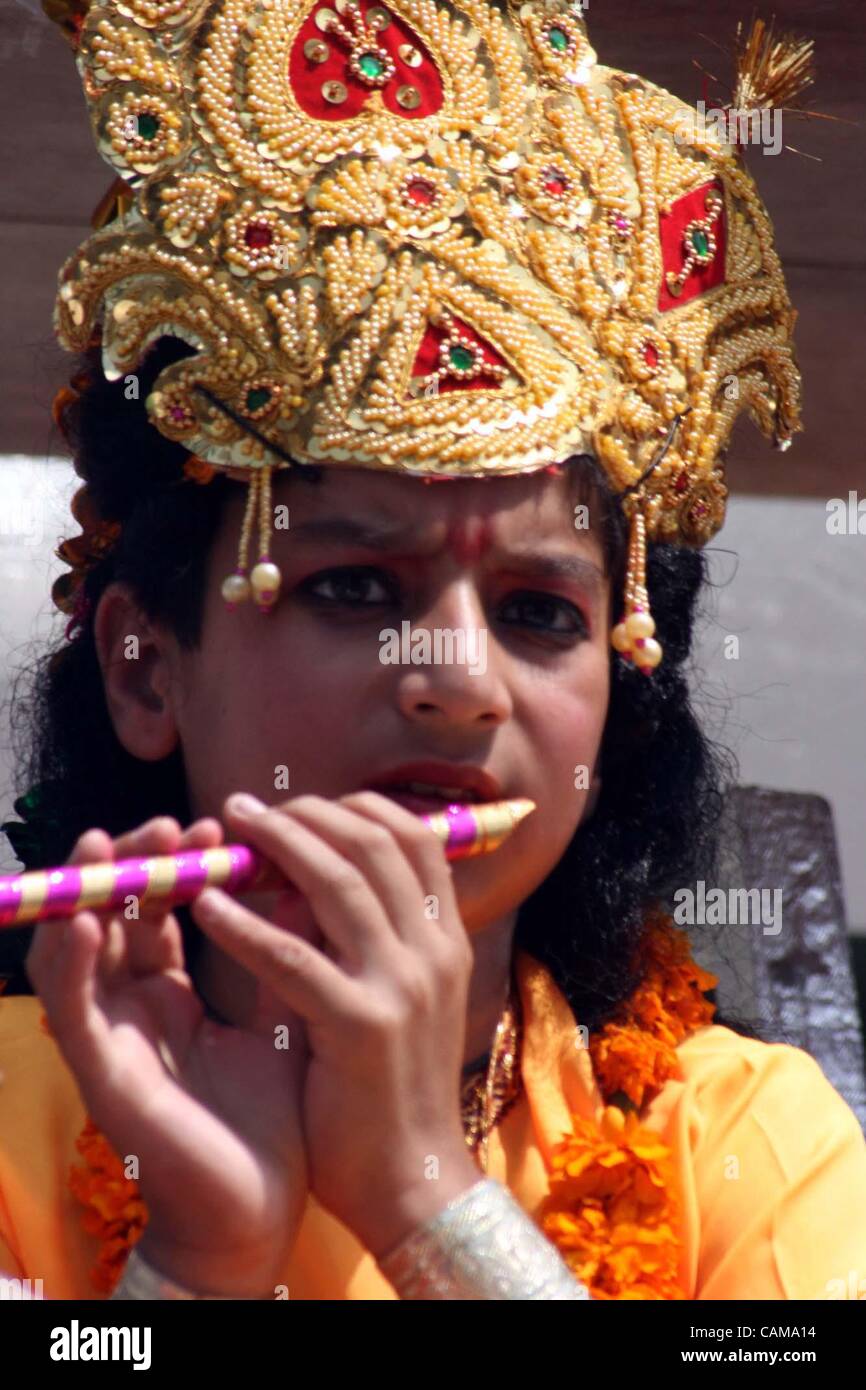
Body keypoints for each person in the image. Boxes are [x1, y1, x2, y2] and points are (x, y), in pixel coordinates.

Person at [1, 0, 864, 1301]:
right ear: (143, 666)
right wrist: (197, 1260)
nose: (456, 680)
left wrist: (422, 1191)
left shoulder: (748, 1140)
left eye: (538, 613)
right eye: (352, 584)